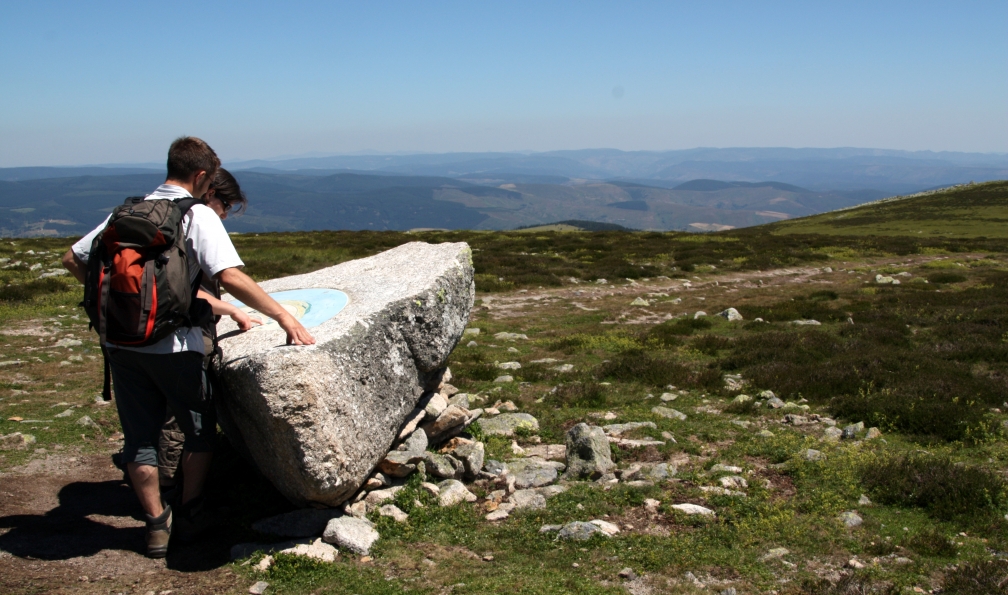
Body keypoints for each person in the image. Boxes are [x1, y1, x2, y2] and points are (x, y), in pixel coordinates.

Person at [62, 137, 316, 558]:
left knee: (139, 439)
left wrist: (115, 305)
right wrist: (284, 317)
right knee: (199, 432)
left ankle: (155, 525)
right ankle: (191, 511)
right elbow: (230, 276)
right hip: (177, 346)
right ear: (201, 176)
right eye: (211, 178)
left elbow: (74, 259)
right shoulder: (196, 213)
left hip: (121, 346)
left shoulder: (127, 210)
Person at [157, 167, 262, 499]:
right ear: (210, 192)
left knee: (158, 414)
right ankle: (180, 497)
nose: (226, 213)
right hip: (181, 337)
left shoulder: (147, 212)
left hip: (135, 339)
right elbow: (197, 286)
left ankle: (160, 486)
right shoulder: (196, 217)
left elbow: (75, 256)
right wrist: (231, 308)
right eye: (226, 204)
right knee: (187, 420)